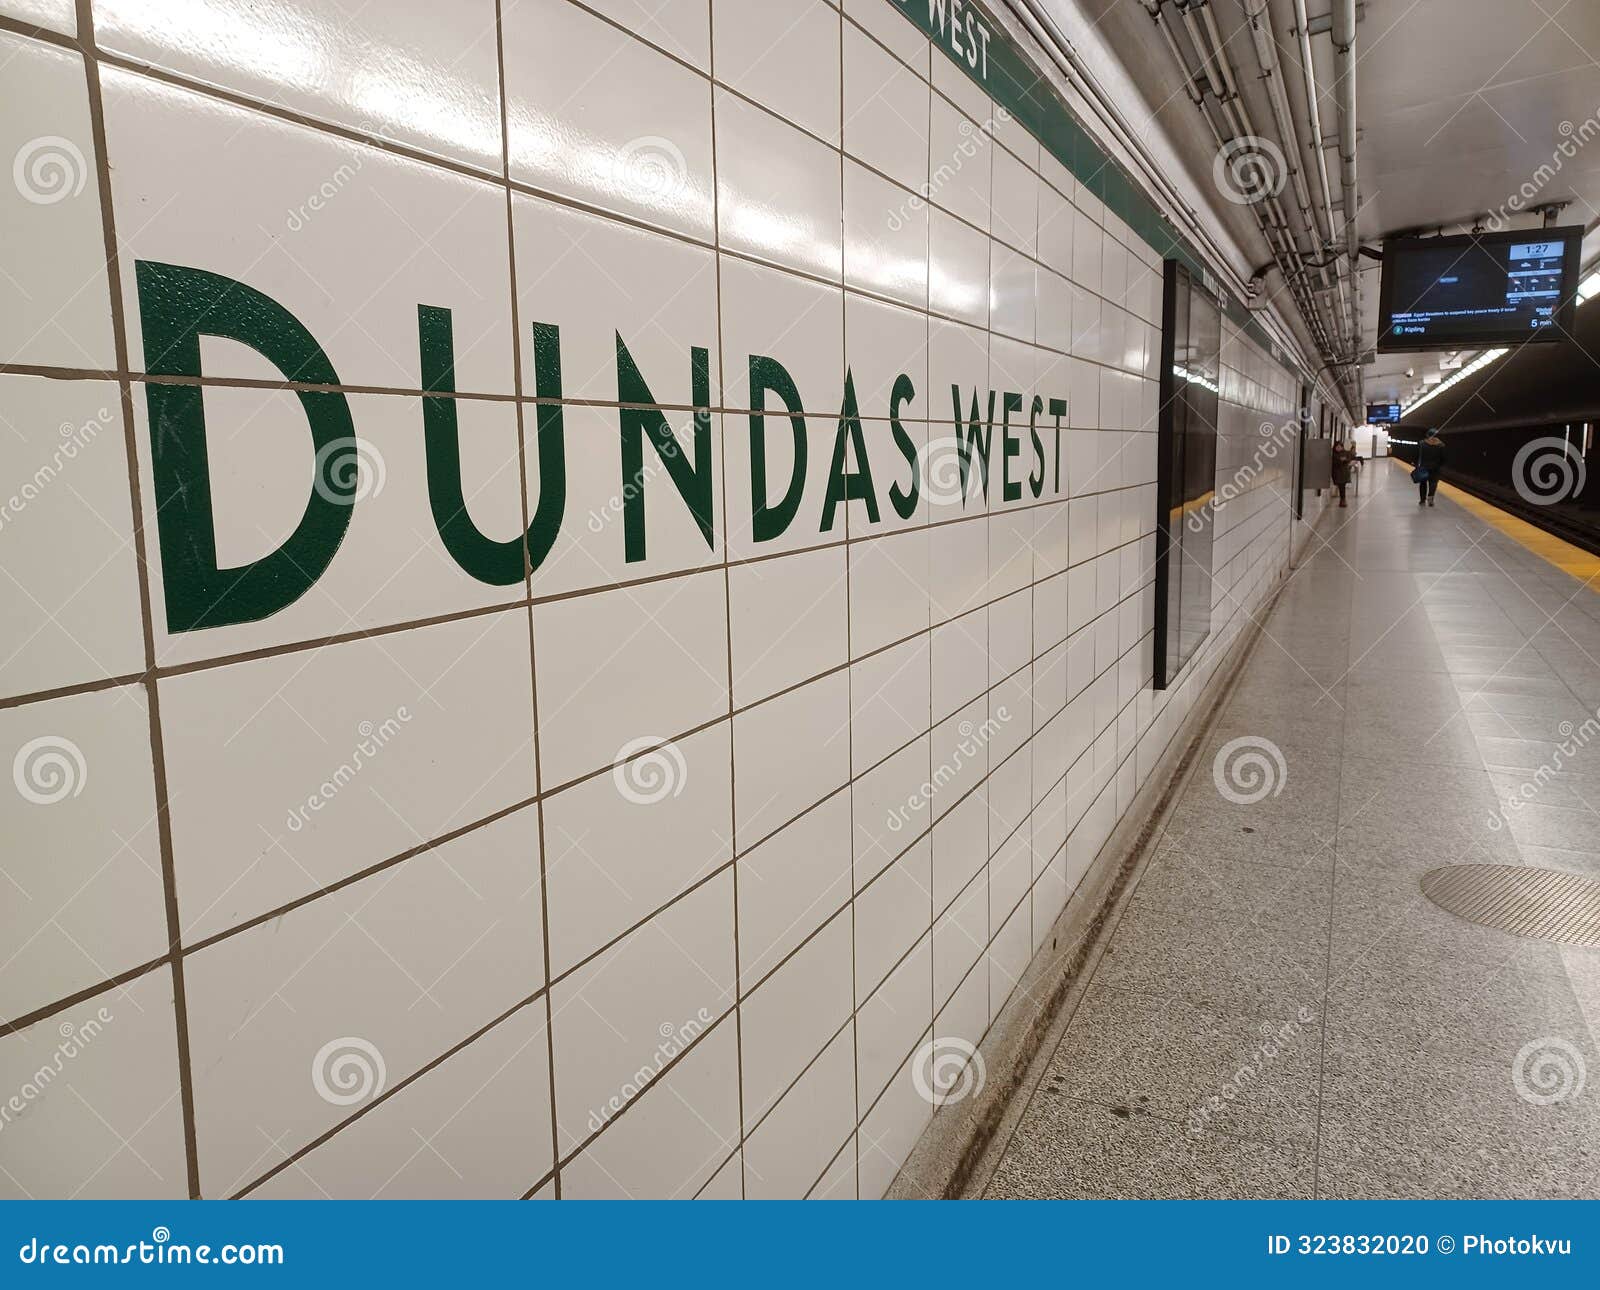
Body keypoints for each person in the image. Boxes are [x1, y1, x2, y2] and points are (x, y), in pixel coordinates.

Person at [1414, 431, 1446, 507]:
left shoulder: (1422, 444)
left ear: (1427, 435)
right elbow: (1443, 458)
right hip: (1435, 468)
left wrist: (1416, 464)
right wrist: (1440, 465)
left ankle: (1422, 500)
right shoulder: (1441, 445)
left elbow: (1416, 454)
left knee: (1423, 484)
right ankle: (1431, 498)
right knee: (1433, 483)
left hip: (1424, 467)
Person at [1331, 439, 1357, 507]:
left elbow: (1349, 459)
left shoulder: (1346, 452)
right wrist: (1341, 460)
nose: (1339, 448)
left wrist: (1344, 460)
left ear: (1342, 447)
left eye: (1340, 447)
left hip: (1344, 472)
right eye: (1337, 447)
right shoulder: (1333, 454)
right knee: (1340, 486)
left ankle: (1343, 500)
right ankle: (1342, 500)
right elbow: (1335, 462)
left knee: (1342, 486)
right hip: (1336, 472)